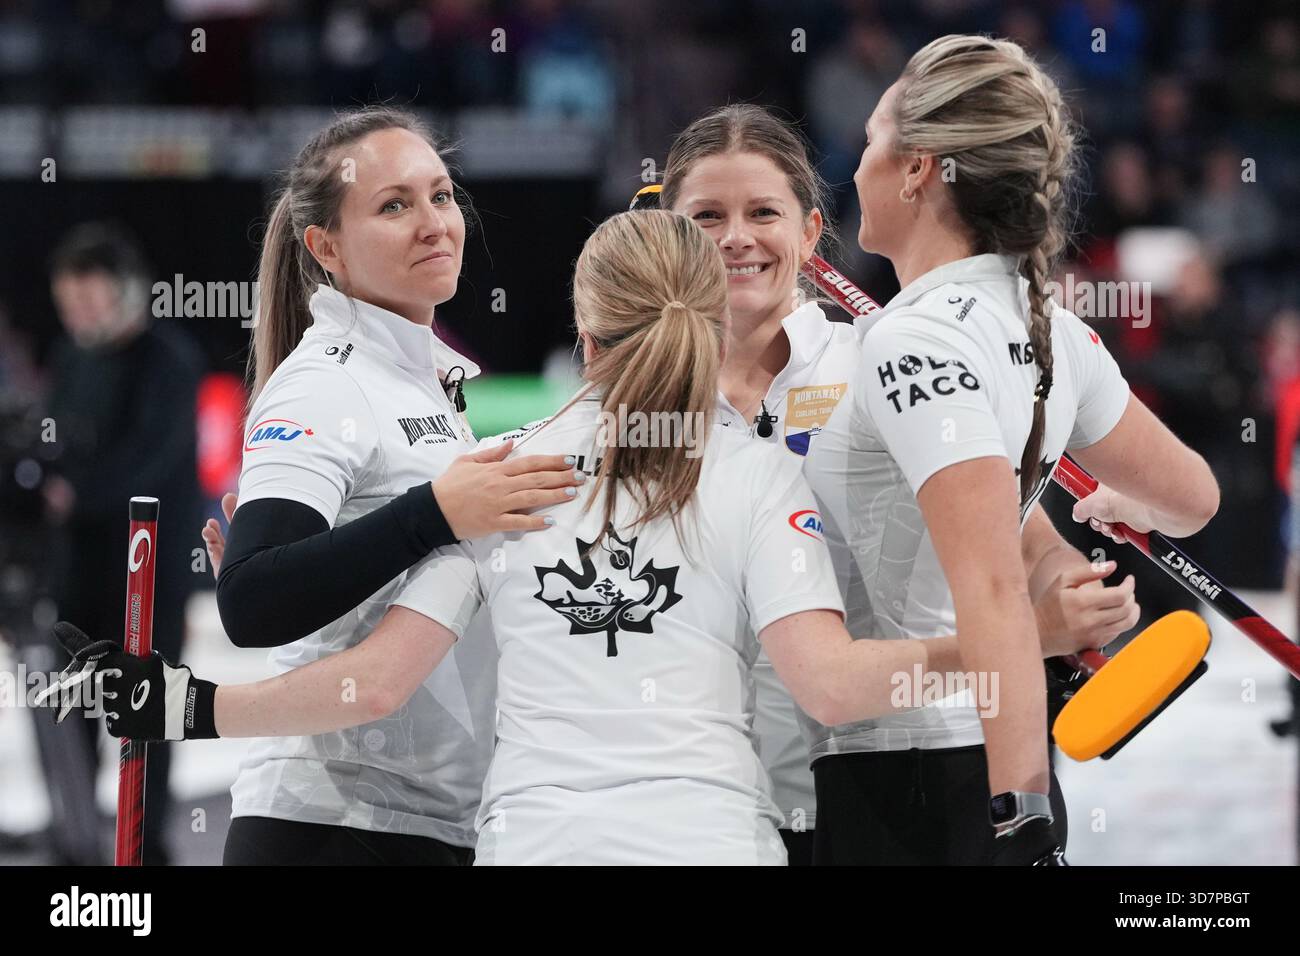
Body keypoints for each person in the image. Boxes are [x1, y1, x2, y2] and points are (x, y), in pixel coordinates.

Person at [47, 210, 1108, 865]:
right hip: (709, 841)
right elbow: (832, 686)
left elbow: (373, 683)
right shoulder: (758, 473)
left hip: (536, 843)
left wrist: (190, 704)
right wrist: (1004, 648)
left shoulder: (493, 476)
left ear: (582, 333)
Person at [658, 103, 1141, 865]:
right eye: (707, 215)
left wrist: (1065, 590)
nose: (736, 237)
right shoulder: (639, 407)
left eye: (762, 212)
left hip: (907, 778)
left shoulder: (885, 366)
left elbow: (1022, 542)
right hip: (713, 802)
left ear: (812, 233)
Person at [801, 34, 1220, 865]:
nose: (855, 166)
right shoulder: (1054, 328)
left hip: (913, 780)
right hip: (973, 767)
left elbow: (988, 584)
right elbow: (1195, 499)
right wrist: (1125, 505)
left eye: (873, 138)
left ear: (918, 168)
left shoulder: (909, 340)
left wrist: (1018, 817)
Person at [203, 106, 582, 865]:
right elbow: (250, 601)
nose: (434, 223)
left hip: (420, 824)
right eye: (394, 206)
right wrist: (434, 513)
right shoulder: (321, 384)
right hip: (332, 824)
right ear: (326, 247)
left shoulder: (423, 380)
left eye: (441, 196)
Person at [43, 222, 204, 865]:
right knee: (70, 711)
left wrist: (74, 493)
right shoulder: (69, 357)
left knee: (148, 712)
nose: (79, 314)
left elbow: (151, 459)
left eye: (90, 300)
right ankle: (77, 837)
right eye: (69, 302)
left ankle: (144, 845)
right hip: (77, 568)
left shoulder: (170, 359)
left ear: (127, 292)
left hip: (149, 571)